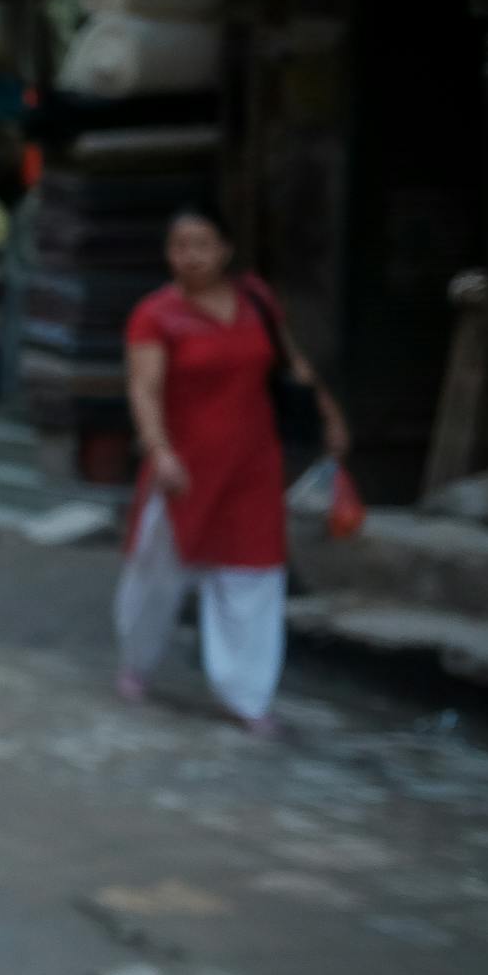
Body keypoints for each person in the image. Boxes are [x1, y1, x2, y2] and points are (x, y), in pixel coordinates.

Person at [116, 207, 346, 735]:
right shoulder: (154, 315)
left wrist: (328, 413)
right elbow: (143, 388)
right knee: (158, 573)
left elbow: (294, 365)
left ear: (225, 250)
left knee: (253, 571)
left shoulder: (257, 300)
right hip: (185, 465)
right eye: (179, 245)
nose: (190, 256)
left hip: (252, 461)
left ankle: (246, 694)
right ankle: (137, 662)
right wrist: (160, 450)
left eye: (201, 244)